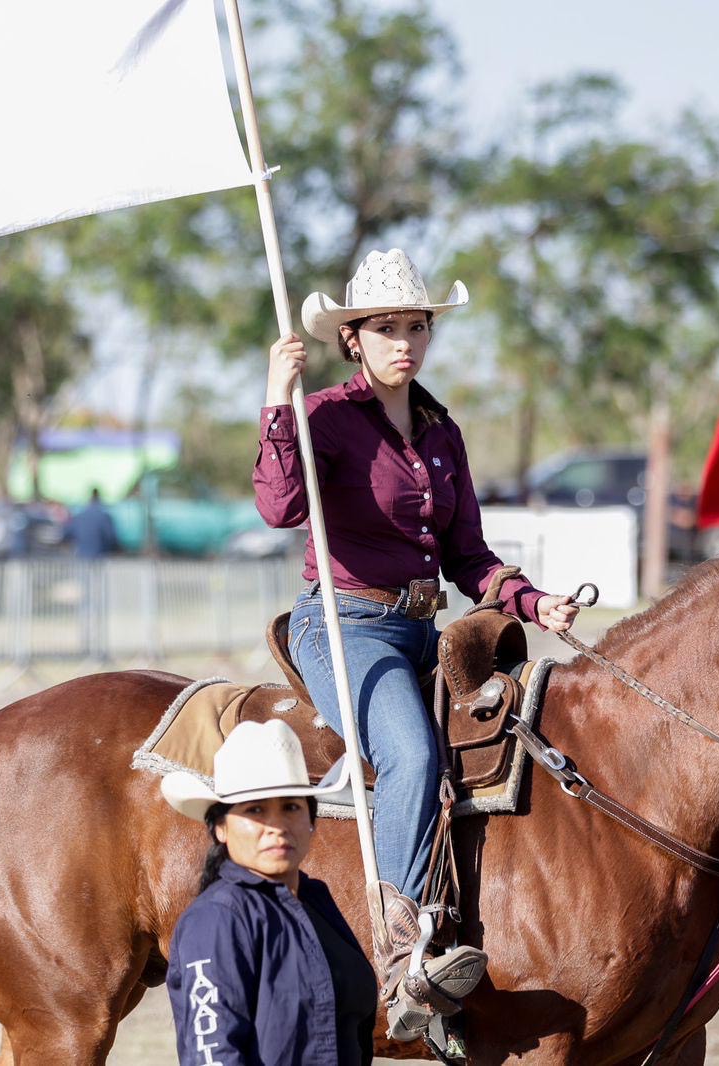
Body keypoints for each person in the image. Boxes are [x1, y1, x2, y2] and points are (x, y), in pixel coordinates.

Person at [252, 248, 582, 1035]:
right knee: (411, 753)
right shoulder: (325, 416)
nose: (405, 341)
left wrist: (534, 602)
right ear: (353, 339)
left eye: (416, 326)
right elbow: (279, 507)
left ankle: (471, 923)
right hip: (343, 624)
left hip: (424, 628)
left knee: (517, 738)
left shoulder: (442, 432)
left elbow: (469, 554)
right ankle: (401, 957)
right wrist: (276, 398)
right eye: (386, 327)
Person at [163, 720, 376, 1066]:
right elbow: (213, 1055)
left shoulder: (316, 902)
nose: (277, 827)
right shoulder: (216, 919)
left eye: (291, 807)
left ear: (311, 821)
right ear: (220, 828)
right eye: (255, 810)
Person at [66, 488, 119, 660]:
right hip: (99, 565)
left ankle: (85, 644)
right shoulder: (104, 516)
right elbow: (112, 539)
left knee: (85, 605)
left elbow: (65, 534)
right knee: (99, 606)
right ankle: (98, 647)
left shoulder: (79, 515)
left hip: (82, 563)